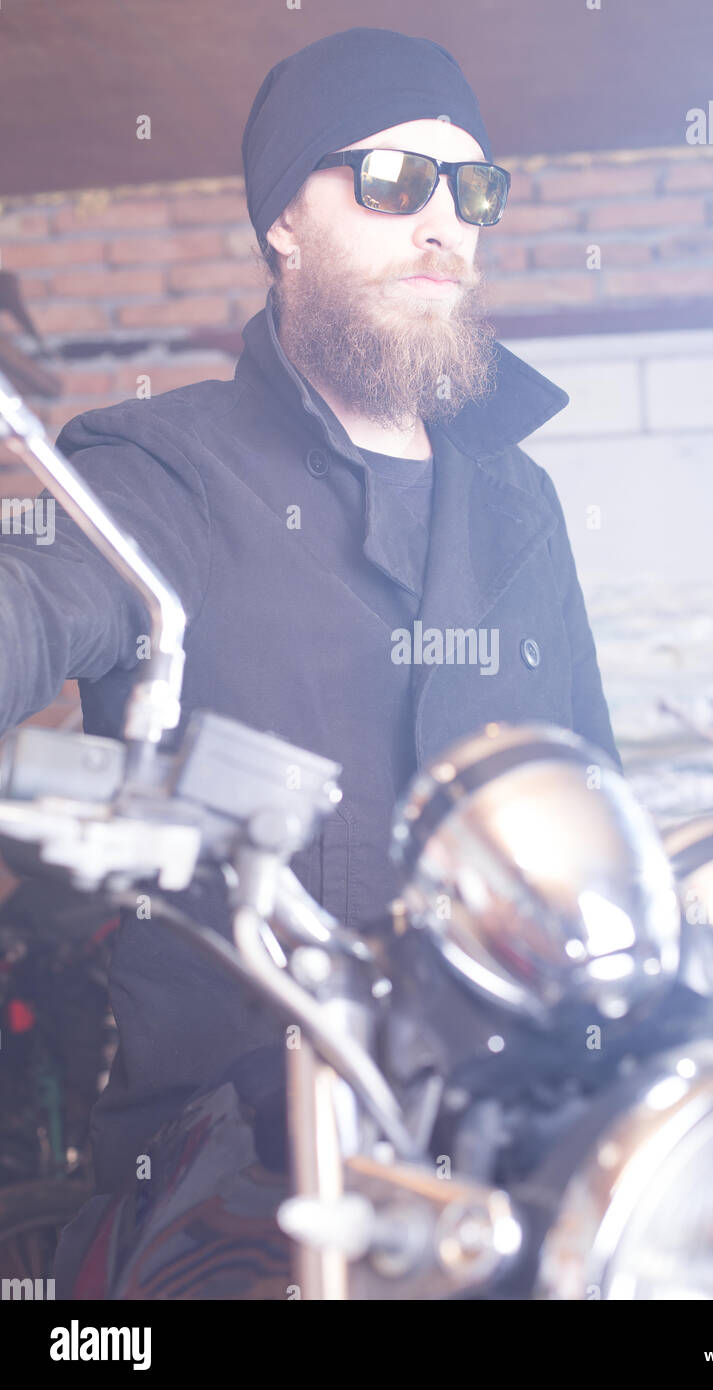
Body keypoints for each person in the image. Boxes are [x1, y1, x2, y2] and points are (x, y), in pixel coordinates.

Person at [0, 27, 619, 1291]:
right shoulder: (160, 471)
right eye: (392, 180)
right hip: (234, 1184)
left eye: (471, 187)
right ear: (283, 217)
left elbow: (590, 799)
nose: (441, 220)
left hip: (508, 1156)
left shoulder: (520, 504)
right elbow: (30, 605)